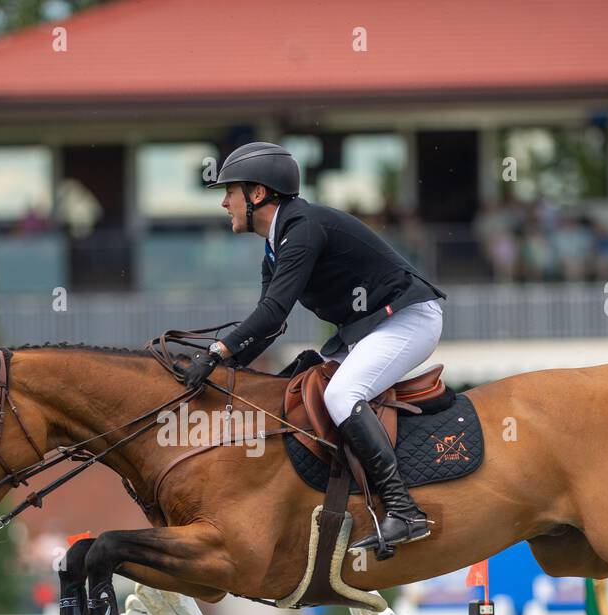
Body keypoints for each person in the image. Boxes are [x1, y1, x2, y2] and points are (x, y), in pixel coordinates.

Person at [185, 142, 447, 555]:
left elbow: (271, 314)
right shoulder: (279, 242)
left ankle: (405, 511)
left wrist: (218, 352)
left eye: (230, 192)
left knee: (342, 394)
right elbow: (269, 328)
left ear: (257, 194)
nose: (224, 203)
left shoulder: (302, 227)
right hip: (369, 327)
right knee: (298, 385)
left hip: (407, 319)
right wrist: (226, 372)